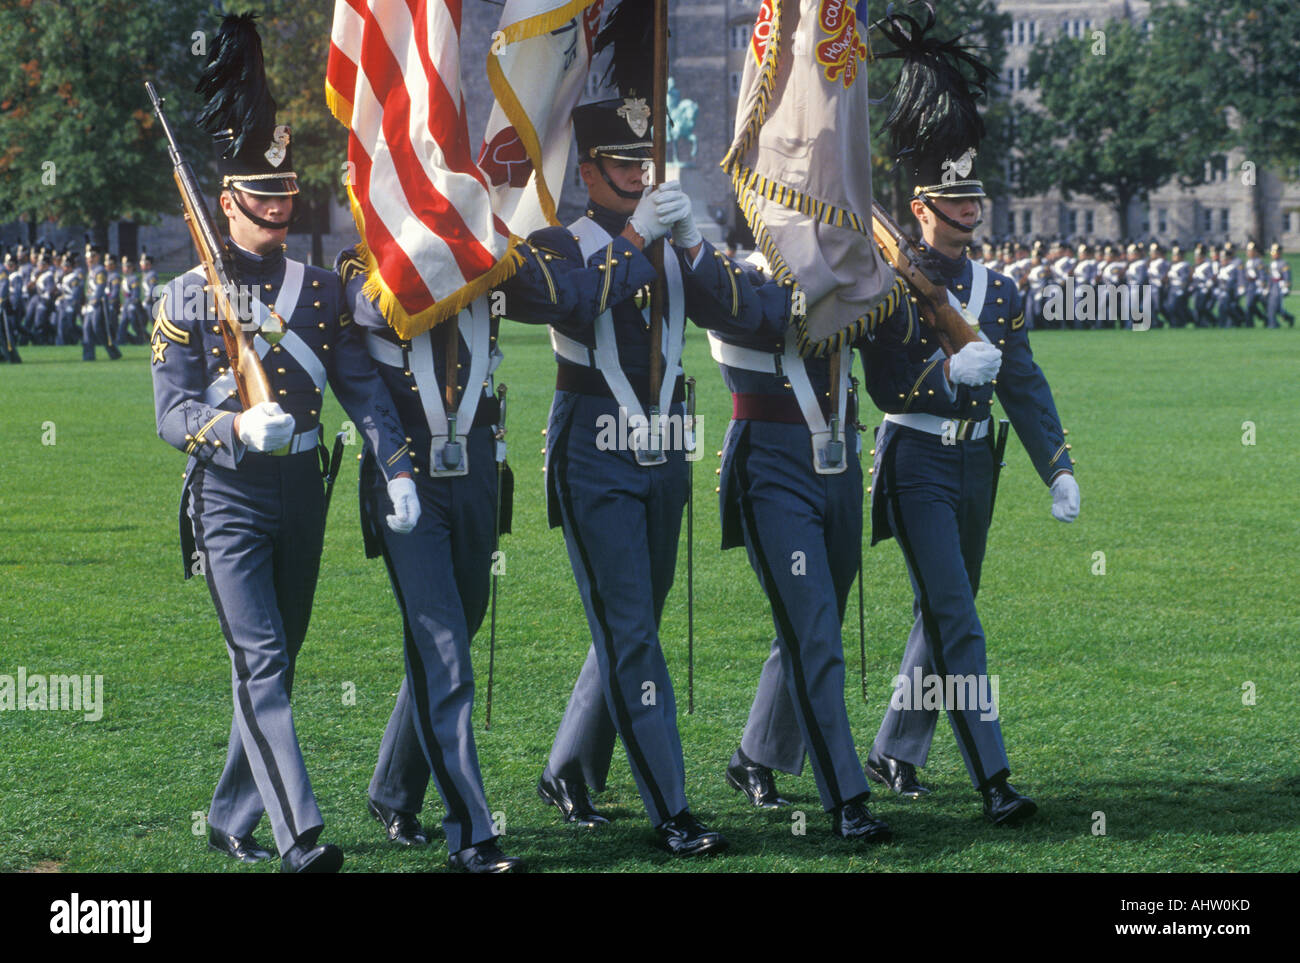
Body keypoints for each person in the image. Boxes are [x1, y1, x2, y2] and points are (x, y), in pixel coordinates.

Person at [150, 12, 415, 873]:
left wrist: (393, 458)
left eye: (286, 199)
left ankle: (231, 816)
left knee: (280, 661)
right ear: (225, 201)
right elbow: (170, 413)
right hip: (228, 496)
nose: (279, 213)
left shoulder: (319, 288)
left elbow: (361, 385)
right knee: (261, 660)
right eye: (262, 202)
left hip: (305, 490)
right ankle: (301, 834)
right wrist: (230, 425)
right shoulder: (183, 295)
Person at [497, 96, 780, 856]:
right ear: (588, 170)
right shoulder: (560, 242)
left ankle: (567, 770)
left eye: (642, 162)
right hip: (595, 453)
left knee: (630, 630)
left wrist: (692, 242)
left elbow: (746, 315)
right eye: (622, 163)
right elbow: (574, 300)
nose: (636, 174)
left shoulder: (671, 239)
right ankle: (673, 808)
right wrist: (635, 236)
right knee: (631, 637)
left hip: (666, 453)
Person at [860, 58, 1080, 825]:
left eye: (973, 196)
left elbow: (1024, 383)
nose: (968, 209)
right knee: (957, 618)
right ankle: (994, 777)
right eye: (953, 199)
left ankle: (894, 748)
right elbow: (885, 384)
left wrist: (1055, 464)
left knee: (944, 610)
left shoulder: (1001, 290)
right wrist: (949, 374)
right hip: (915, 457)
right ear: (921, 208)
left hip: (975, 463)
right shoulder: (889, 285)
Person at [335, 249, 524, 873]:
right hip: (406, 474)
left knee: (456, 628)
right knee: (443, 644)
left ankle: (392, 789)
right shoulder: (366, 270)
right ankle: (471, 832)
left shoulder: (488, 256)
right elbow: (370, 335)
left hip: (475, 470)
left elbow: (561, 296)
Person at [1266, 243, 1294, 328]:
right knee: (1275, 307)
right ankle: (1288, 318)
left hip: (1280, 286)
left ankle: (1273, 324)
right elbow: (1270, 277)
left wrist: (1286, 287)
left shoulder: (1284, 263)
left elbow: (1287, 276)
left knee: (1274, 306)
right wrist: (1267, 287)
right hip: (1273, 286)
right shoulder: (1271, 264)